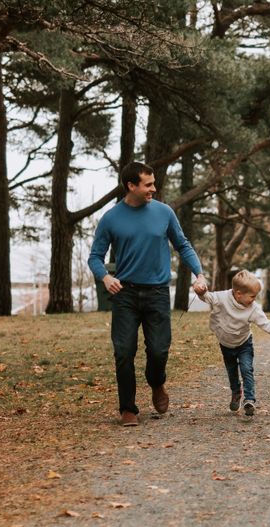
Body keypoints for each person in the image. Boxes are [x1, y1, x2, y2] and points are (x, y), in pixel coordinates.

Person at [88, 161, 207, 427]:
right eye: (148, 184)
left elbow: (183, 245)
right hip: (125, 295)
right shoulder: (111, 218)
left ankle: (157, 383)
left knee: (158, 350)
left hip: (157, 293)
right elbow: (95, 257)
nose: (154, 188)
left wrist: (199, 274)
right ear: (131, 186)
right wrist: (106, 277)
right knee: (123, 351)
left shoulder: (164, 213)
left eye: (154, 183)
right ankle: (128, 409)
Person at [193, 270, 270, 417]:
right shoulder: (222, 298)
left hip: (244, 343)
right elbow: (207, 297)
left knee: (246, 369)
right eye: (252, 296)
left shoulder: (254, 309)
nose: (255, 299)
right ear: (238, 294)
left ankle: (249, 399)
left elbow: (266, 324)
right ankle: (236, 393)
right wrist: (201, 291)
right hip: (225, 344)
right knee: (232, 372)